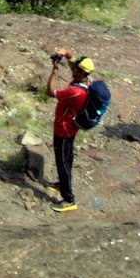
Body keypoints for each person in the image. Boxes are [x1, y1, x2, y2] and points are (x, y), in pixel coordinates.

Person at [44, 48, 95, 214]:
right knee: (67, 158)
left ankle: (68, 199)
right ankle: (62, 184)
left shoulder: (76, 92)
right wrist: (64, 53)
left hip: (64, 130)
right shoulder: (87, 81)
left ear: (81, 72)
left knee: (63, 161)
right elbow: (72, 60)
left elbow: (50, 92)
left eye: (76, 69)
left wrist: (55, 69)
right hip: (70, 128)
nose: (72, 70)